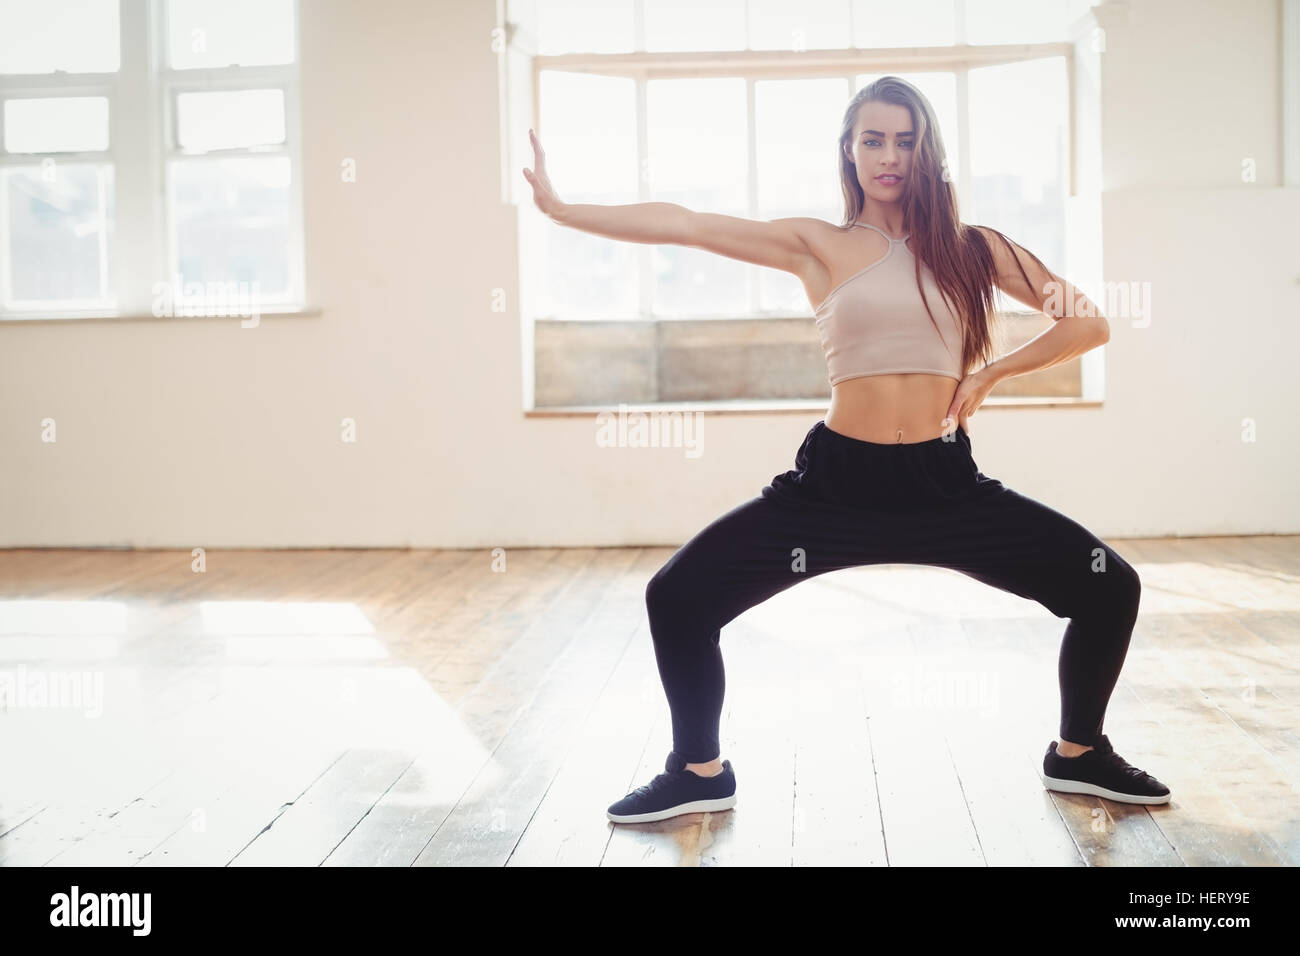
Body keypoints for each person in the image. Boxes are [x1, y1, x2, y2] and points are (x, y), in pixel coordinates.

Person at [523, 76, 1170, 826]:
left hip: (942, 484)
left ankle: (1078, 755)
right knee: (678, 596)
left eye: (905, 139)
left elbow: (1087, 322)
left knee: (1108, 587)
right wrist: (563, 209)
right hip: (834, 486)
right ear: (849, 150)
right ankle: (699, 770)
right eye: (873, 139)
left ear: (927, 151)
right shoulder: (817, 246)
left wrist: (994, 372)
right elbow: (686, 223)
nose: (889, 155)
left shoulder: (974, 249)